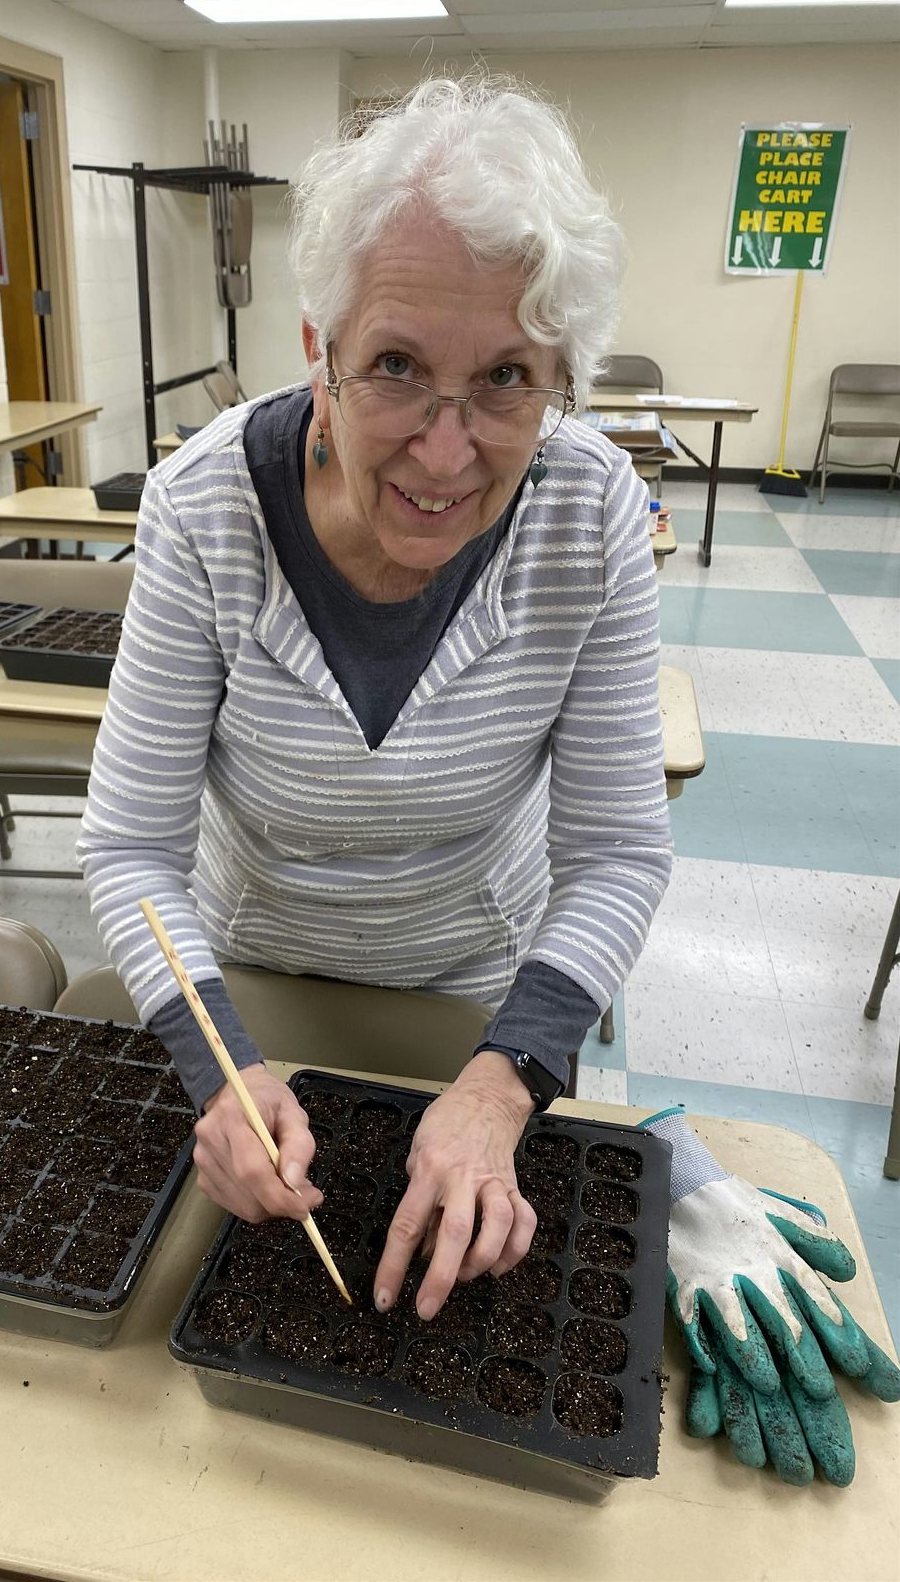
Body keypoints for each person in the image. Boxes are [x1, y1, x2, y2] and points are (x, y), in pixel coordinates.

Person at [78, 76, 671, 1325]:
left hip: (478, 996)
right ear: (319, 351)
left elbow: (616, 851)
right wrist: (223, 1070)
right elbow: (131, 845)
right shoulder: (201, 512)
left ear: (561, 374)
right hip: (256, 985)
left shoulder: (591, 510)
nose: (447, 453)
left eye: (508, 377)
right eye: (396, 366)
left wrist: (504, 1083)